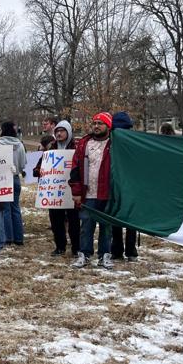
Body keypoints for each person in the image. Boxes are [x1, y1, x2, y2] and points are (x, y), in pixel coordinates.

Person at [69, 111, 113, 270]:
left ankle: (105, 255)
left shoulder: (114, 143)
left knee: (106, 226)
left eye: (100, 123)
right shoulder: (84, 143)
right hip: (88, 194)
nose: (96, 126)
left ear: (108, 125)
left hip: (107, 194)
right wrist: (76, 191)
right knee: (86, 225)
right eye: (94, 123)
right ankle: (84, 255)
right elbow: (75, 168)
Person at [46, 120, 80, 257]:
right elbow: (42, 164)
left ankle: (76, 247)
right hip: (55, 190)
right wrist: (38, 170)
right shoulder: (51, 147)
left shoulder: (77, 146)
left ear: (68, 132)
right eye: (57, 131)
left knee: (74, 221)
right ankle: (60, 246)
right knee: (56, 220)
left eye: (62, 131)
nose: (59, 133)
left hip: (72, 190)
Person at [109, 112, 138, 262]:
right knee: (116, 216)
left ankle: (130, 249)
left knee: (130, 217)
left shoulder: (135, 143)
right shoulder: (110, 142)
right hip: (115, 183)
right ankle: (117, 249)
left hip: (131, 184)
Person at [0, 121, 26, 246]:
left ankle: (8, 238)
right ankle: (19, 238)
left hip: (2, 179)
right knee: (15, 208)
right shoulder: (19, 145)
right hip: (15, 178)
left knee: (5, 210)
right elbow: (23, 164)